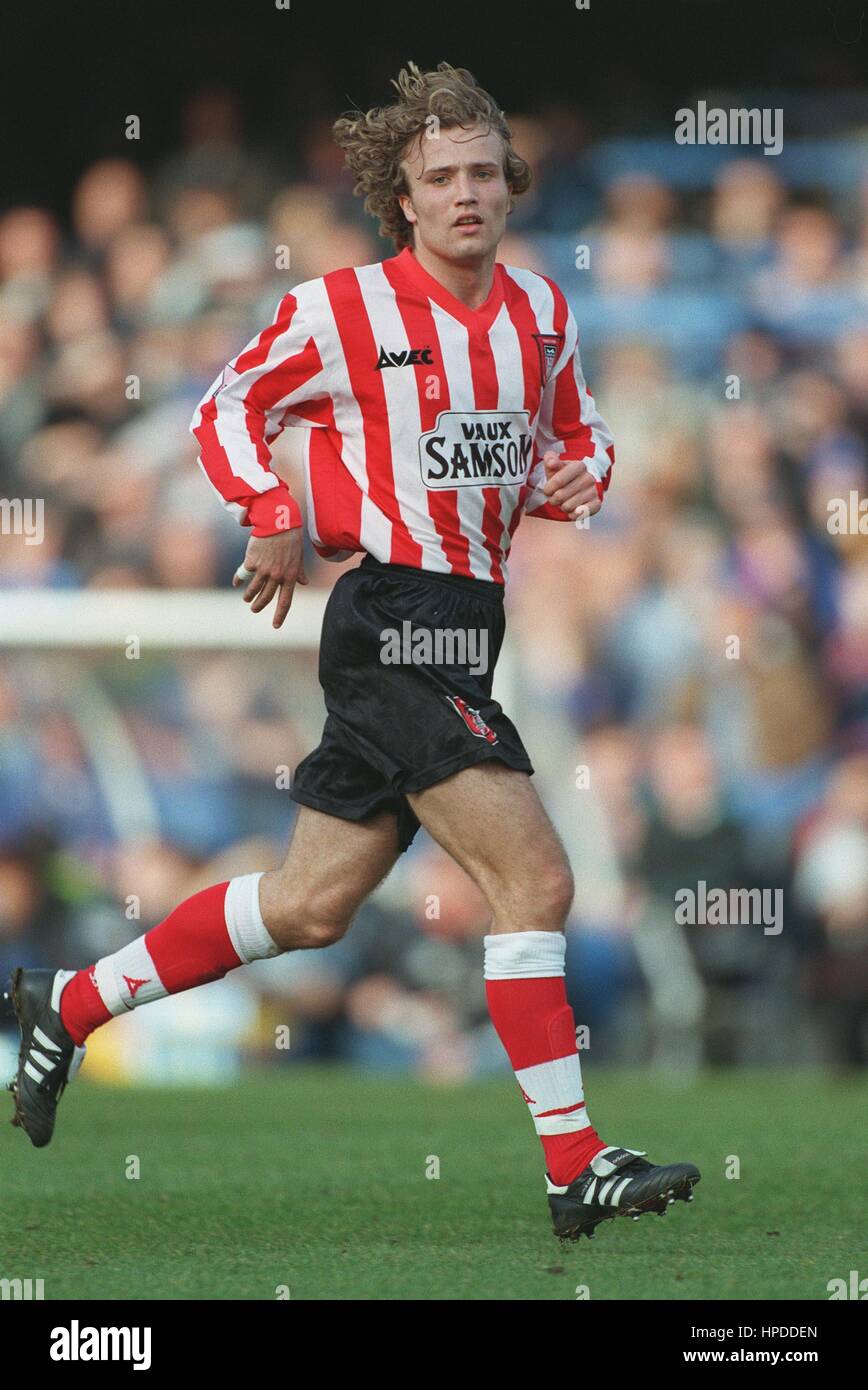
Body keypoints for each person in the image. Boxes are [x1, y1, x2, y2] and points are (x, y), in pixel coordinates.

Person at [7, 62, 699, 1242]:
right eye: (442, 178)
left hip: (466, 619)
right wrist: (270, 513)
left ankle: (64, 1004)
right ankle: (574, 1166)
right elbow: (224, 409)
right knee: (533, 879)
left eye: (486, 172)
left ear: (511, 184)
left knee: (310, 904)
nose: (468, 193)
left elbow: (567, 445)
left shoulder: (541, 314)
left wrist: (580, 478)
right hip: (392, 619)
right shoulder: (341, 310)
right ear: (404, 198)